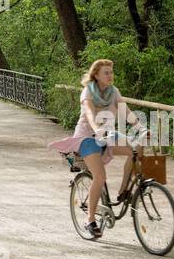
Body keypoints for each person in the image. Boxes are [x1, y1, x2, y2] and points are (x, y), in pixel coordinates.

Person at [59, 58, 138, 239]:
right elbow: (89, 112)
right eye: (106, 73)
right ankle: (90, 220)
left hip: (107, 135)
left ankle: (124, 189)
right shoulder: (88, 91)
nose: (110, 76)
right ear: (96, 75)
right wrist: (96, 129)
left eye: (111, 72)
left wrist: (140, 127)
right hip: (87, 137)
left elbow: (125, 111)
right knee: (100, 177)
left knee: (137, 148)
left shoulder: (113, 91)